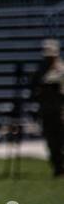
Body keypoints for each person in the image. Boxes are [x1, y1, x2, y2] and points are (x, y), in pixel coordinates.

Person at [31, 38, 64, 177]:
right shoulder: (40, 70)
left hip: (61, 111)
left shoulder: (61, 70)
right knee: (51, 142)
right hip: (46, 111)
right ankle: (57, 168)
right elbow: (34, 91)